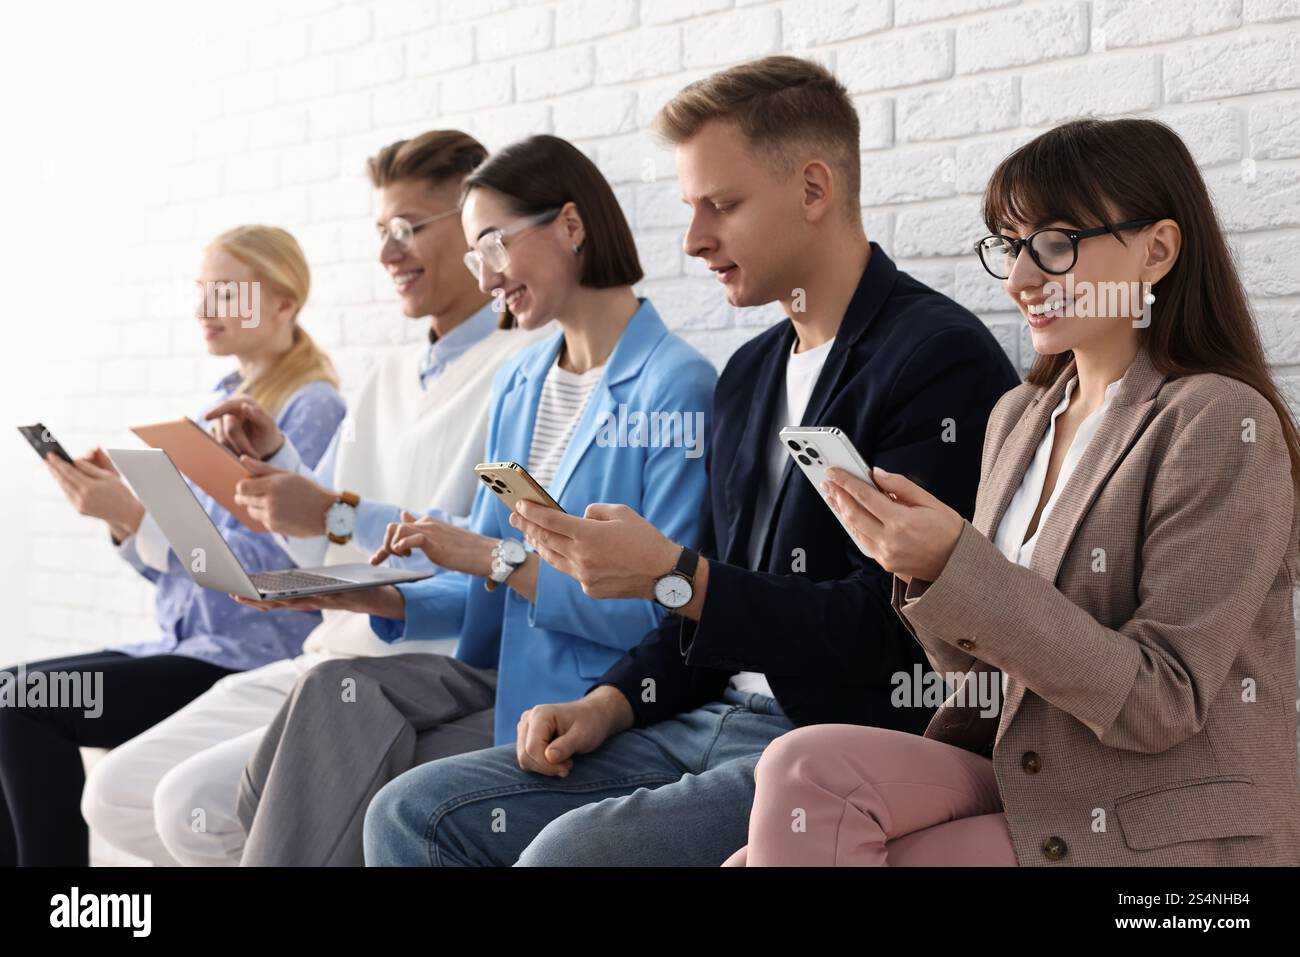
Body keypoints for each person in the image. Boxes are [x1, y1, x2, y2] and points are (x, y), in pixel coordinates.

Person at [362, 55, 1019, 867]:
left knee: (564, 858)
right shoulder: (748, 375)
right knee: (411, 812)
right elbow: (704, 594)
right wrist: (610, 700)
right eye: (690, 206)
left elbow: (891, 633)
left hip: (833, 744)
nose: (694, 238)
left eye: (723, 204)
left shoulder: (937, 360)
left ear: (814, 190)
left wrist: (672, 573)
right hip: (703, 718)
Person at [735, 116, 1300, 866]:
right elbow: (984, 680)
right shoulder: (1019, 417)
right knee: (800, 766)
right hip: (1031, 765)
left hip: (1160, 811)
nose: (1019, 279)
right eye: (1009, 245)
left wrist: (962, 566)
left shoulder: (1218, 421)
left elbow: (1162, 700)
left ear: (1157, 250)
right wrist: (931, 571)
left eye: (1055, 245)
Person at [230, 133, 717, 866]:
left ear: (571, 225)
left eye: (492, 247)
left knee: (322, 771)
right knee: (330, 700)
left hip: (597, 705)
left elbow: (666, 608)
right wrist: (385, 600)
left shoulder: (676, 386)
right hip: (498, 678)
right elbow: (486, 574)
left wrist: (494, 556)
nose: (486, 279)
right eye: (473, 257)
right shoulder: (520, 383)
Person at [79, 130, 554, 866]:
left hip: (421, 665)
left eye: (408, 228)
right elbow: (318, 539)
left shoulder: (524, 369)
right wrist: (280, 467)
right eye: (380, 232)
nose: (388, 253)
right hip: (325, 649)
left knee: (193, 806)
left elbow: (498, 552)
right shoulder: (390, 375)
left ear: (472, 233)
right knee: (113, 790)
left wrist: (329, 511)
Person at [2, 225, 345, 866]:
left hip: (240, 659)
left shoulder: (312, 409)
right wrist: (124, 520)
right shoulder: (220, 403)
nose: (204, 309)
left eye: (226, 292)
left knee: (21, 703)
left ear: (284, 302)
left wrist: (142, 517)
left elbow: (290, 567)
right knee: (8, 693)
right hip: (183, 646)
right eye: (200, 292)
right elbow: (184, 573)